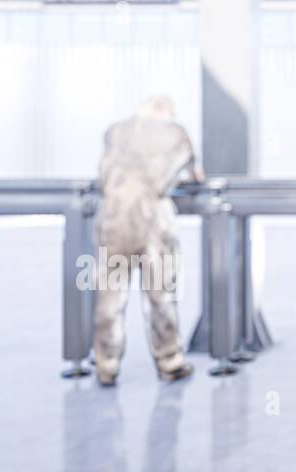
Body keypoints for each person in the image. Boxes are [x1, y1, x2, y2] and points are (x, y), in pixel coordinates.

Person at [93, 96, 203, 386]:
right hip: (152, 220)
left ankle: (106, 363)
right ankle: (170, 361)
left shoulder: (115, 131)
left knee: (110, 295)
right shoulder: (176, 134)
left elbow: (102, 173)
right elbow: (196, 174)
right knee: (160, 294)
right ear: (166, 112)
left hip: (113, 217)